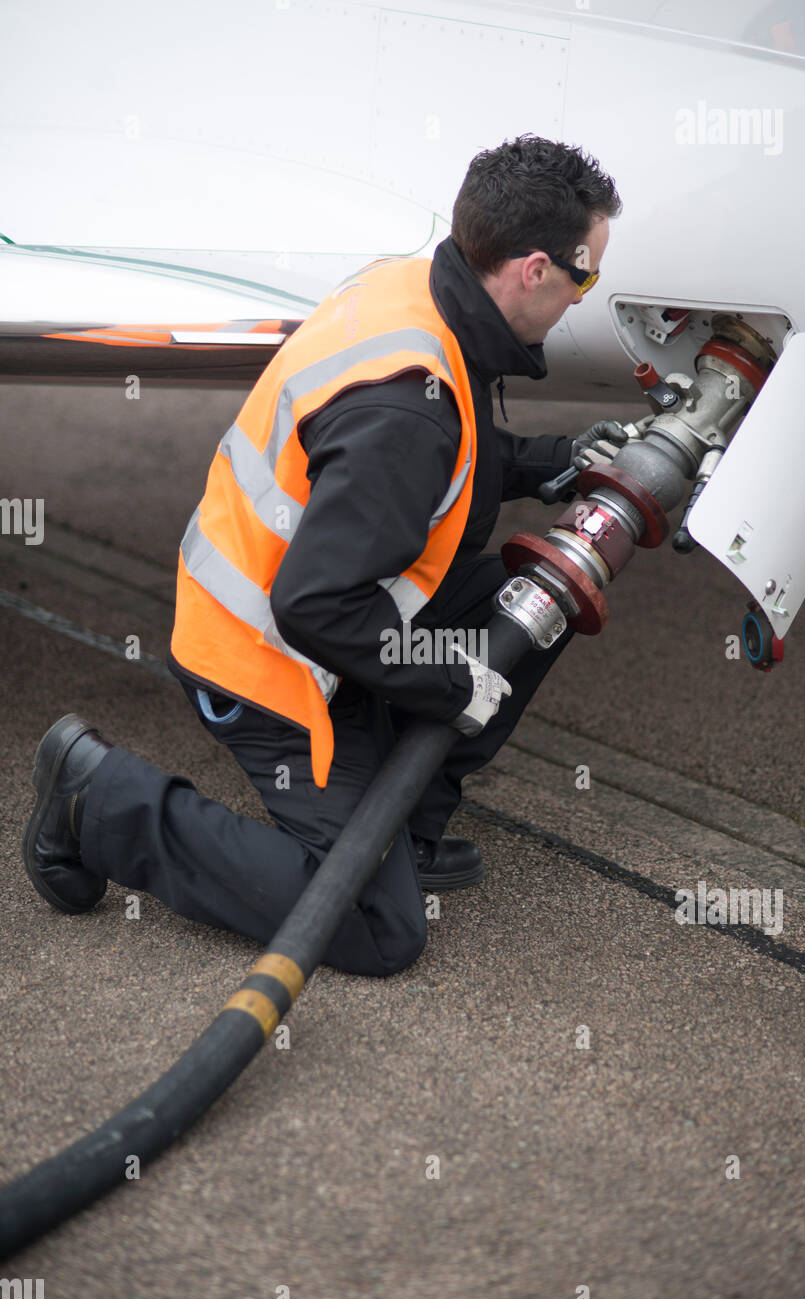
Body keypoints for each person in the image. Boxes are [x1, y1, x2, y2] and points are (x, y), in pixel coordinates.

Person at [22, 134, 624, 978]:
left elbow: (449, 456)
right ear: (531, 269)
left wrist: (554, 463)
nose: (579, 298)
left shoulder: (419, 288)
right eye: (583, 275)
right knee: (379, 930)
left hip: (328, 611)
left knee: (539, 601)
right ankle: (100, 803)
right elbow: (317, 606)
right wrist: (453, 685)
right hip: (266, 661)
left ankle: (404, 825)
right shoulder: (404, 414)